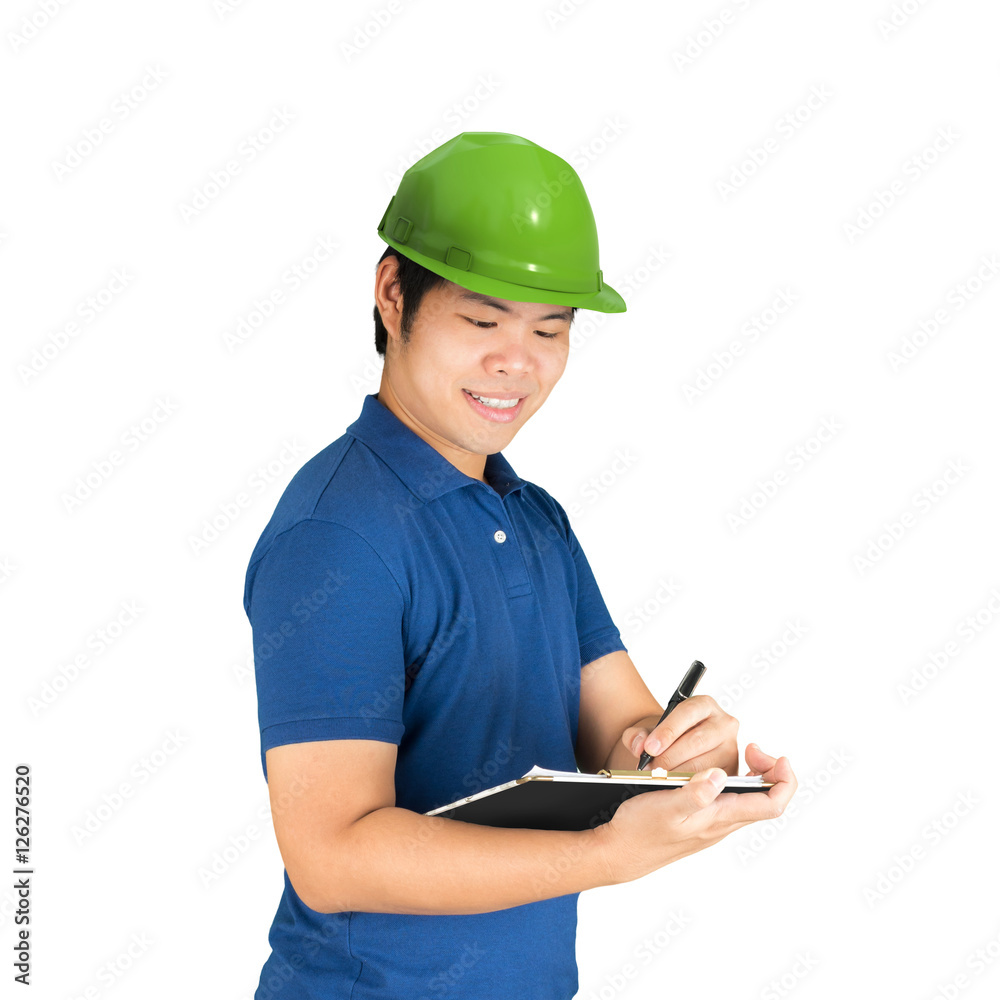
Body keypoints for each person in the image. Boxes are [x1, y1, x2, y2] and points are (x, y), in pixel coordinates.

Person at [242, 131, 797, 1000]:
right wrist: (601, 855)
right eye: (482, 319)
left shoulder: (536, 522)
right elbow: (332, 856)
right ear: (394, 294)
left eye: (550, 327)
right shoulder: (339, 537)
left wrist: (686, 755)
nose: (518, 362)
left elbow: (619, 740)